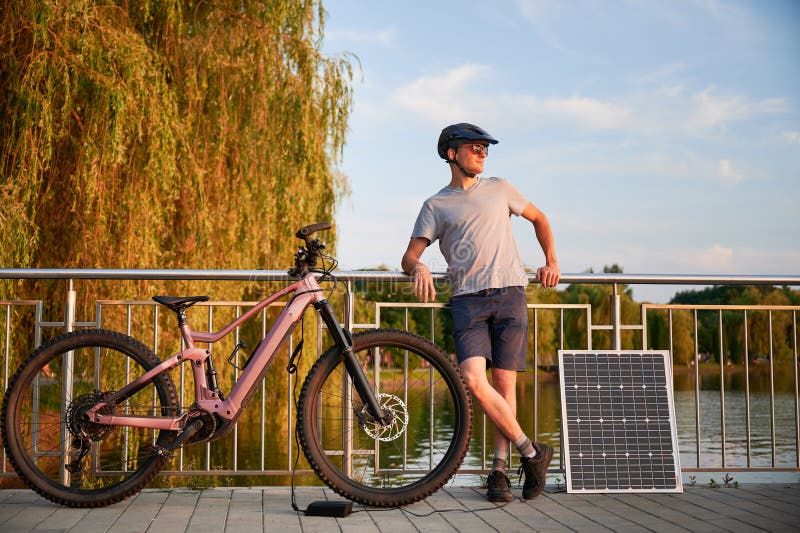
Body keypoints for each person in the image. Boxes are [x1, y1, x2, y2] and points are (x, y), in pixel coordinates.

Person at [401, 123, 560, 502]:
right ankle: (533, 453)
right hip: (467, 301)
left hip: (510, 295)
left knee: (505, 386)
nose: (483, 152)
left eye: (486, 147)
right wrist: (419, 268)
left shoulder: (500, 188)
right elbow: (409, 256)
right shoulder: (435, 205)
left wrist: (551, 261)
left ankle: (500, 472)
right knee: (474, 380)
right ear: (451, 153)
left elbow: (540, 218)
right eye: (475, 147)